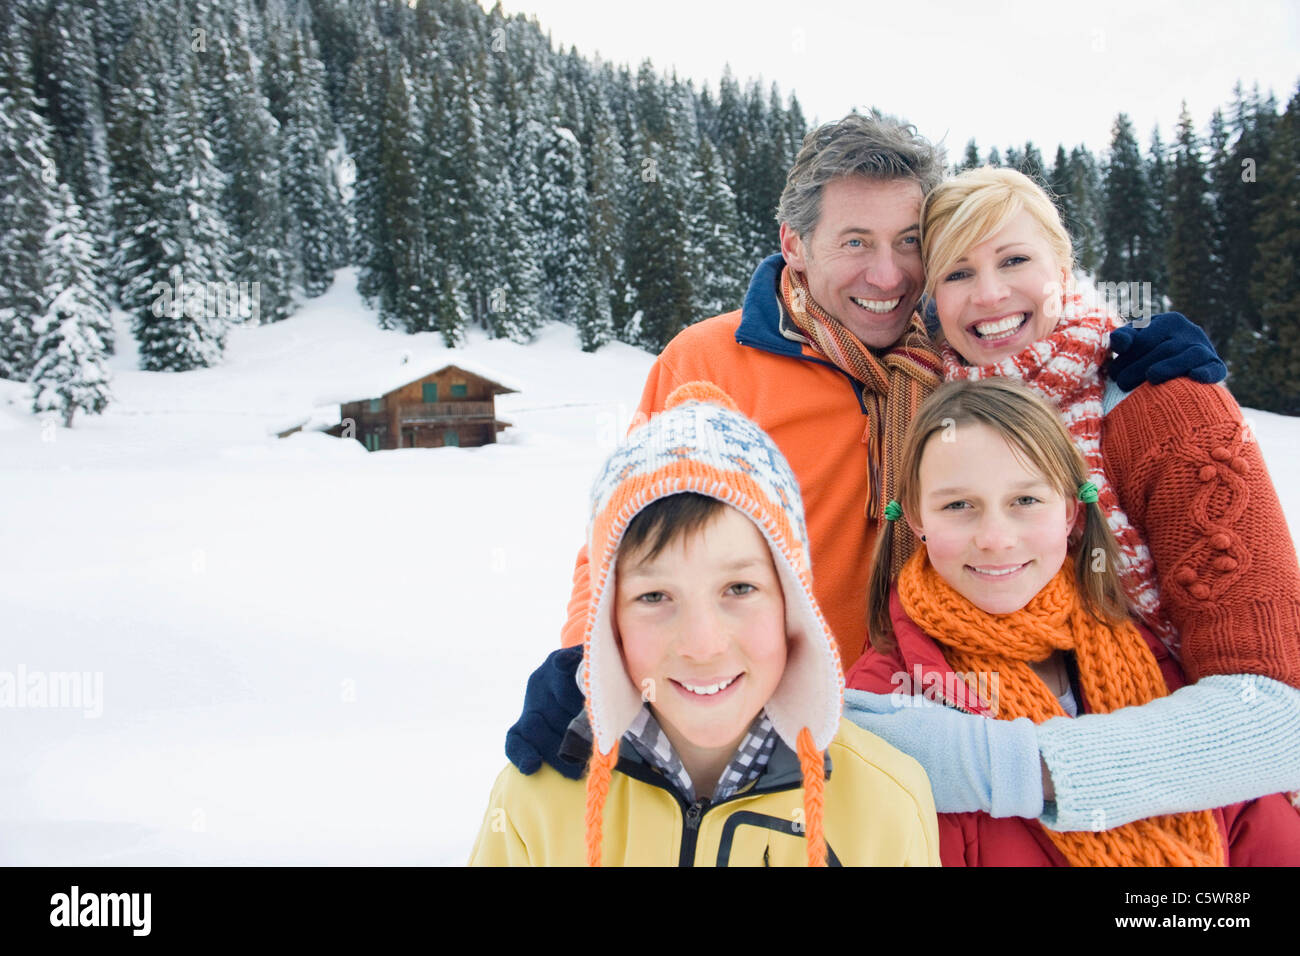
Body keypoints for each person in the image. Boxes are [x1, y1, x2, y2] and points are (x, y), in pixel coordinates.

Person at [503, 114, 1262, 833]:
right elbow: (626, 535)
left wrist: (1142, 362)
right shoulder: (712, 363)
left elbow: (1046, 333)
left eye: (908, 242)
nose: (889, 274)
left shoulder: (962, 356)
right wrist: (582, 653)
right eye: (856, 242)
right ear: (794, 242)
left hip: (960, 729)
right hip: (766, 730)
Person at [469, 382, 940, 866]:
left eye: (739, 589)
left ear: (791, 601)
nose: (703, 644)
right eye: (654, 596)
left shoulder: (885, 804)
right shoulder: (534, 804)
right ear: (610, 619)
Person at [848, 376, 1300, 865]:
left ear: (1067, 513)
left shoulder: (1154, 652)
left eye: (1025, 501)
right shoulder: (889, 706)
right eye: (958, 506)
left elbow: (1262, 829)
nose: (996, 539)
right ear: (916, 518)